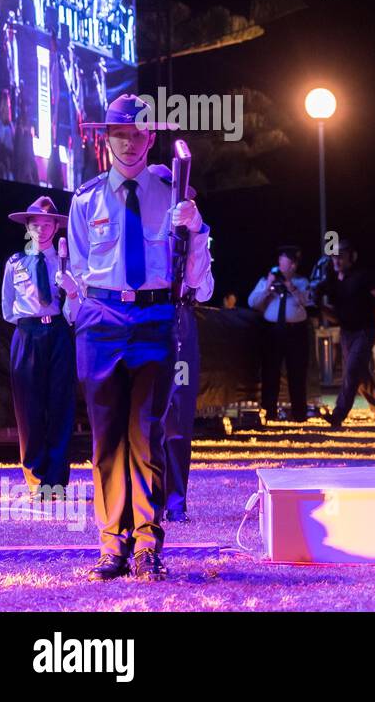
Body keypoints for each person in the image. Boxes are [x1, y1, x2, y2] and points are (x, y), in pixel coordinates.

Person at [65, 93, 213, 581]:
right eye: (119, 134)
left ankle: (148, 545)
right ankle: (112, 545)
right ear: (105, 139)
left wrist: (195, 231)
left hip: (153, 320)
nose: (129, 143)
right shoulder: (85, 199)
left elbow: (198, 282)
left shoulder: (174, 193)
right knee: (105, 437)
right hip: (102, 320)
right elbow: (82, 269)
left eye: (138, 133)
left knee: (147, 433)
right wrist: (85, 312)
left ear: (152, 137)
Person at [1, 196, 75, 501]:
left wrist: (69, 290)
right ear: (27, 227)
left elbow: (75, 307)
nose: (42, 230)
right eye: (36, 224)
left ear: (56, 228)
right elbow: (8, 307)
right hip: (28, 333)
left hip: (59, 331)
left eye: (48, 224)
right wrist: (28, 324)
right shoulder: (15, 263)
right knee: (28, 410)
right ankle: (36, 480)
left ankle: (56, 480)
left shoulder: (67, 263)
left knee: (60, 407)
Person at [161, 184, 212, 523]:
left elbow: (205, 288)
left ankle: (175, 501)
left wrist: (197, 234)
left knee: (178, 411)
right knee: (145, 413)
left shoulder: (195, 232)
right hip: (145, 317)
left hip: (180, 319)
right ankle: (143, 499)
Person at [318, 238, 375, 428]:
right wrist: (318, 306)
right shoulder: (333, 282)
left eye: (340, 257)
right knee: (359, 375)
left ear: (351, 257)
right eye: (334, 258)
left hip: (364, 332)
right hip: (346, 333)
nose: (336, 261)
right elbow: (335, 316)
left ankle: (338, 415)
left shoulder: (363, 276)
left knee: (351, 371)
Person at [248, 246, 312, 423]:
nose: (281, 266)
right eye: (279, 262)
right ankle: (269, 412)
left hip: (296, 331)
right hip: (272, 330)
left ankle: (299, 413)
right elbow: (252, 302)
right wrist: (268, 287)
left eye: (284, 263)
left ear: (293, 265)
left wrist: (291, 288)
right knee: (270, 372)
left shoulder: (302, 282)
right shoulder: (266, 281)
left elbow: (308, 301)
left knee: (297, 373)